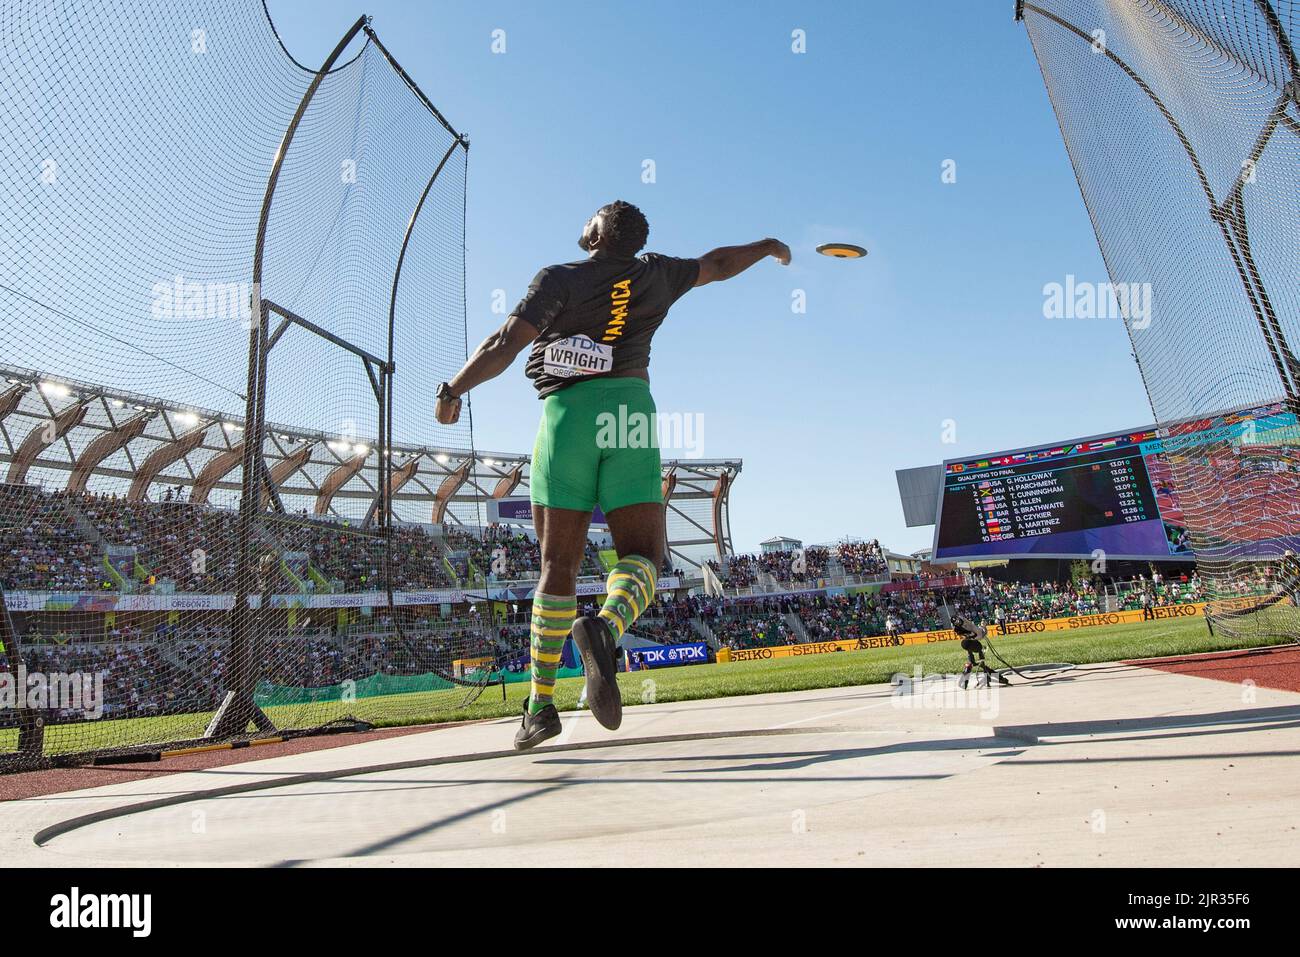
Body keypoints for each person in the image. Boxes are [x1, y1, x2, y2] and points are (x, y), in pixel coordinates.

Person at [435, 200, 789, 749]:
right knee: (646, 555)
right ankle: (606, 626)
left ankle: (540, 705)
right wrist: (766, 247)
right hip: (630, 412)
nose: (582, 222)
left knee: (558, 564)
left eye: (589, 218)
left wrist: (453, 389)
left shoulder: (560, 277)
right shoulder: (657, 273)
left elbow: (504, 344)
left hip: (568, 418)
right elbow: (717, 264)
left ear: (600, 231)